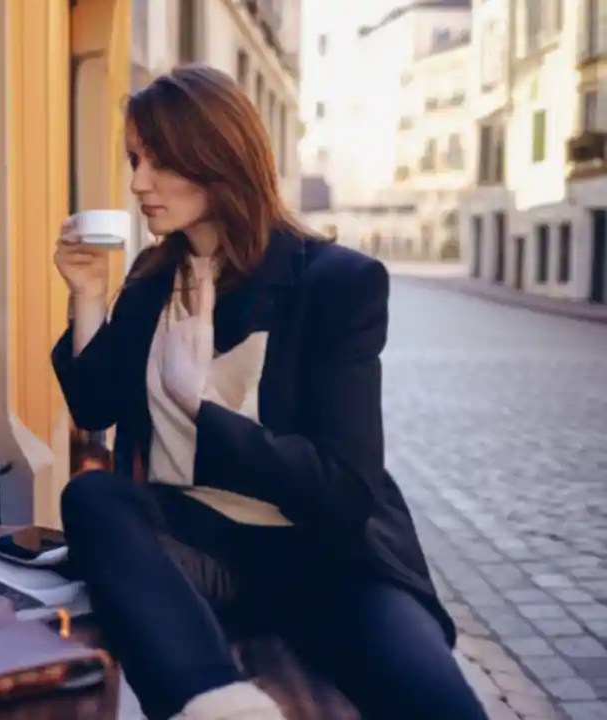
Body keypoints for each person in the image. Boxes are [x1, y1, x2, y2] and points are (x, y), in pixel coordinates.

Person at [51, 66, 486, 720]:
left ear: (221, 157)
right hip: (195, 552)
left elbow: (344, 489)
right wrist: (86, 294)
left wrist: (201, 409)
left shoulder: (337, 284)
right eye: (136, 159)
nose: (139, 182)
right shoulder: (151, 282)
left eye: (160, 160)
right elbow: (94, 406)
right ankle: (212, 701)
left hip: (327, 562)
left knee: (442, 707)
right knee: (91, 496)